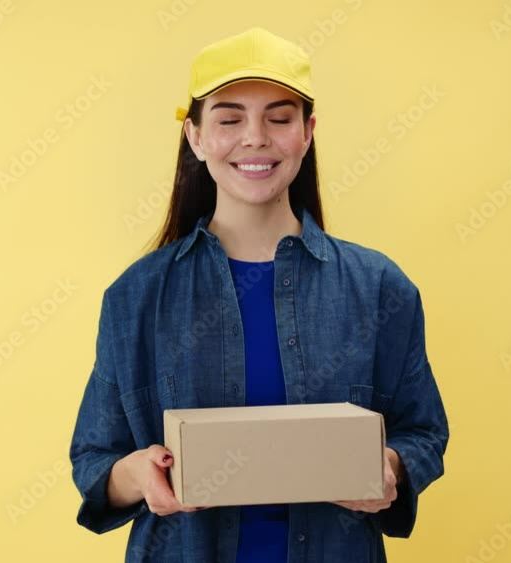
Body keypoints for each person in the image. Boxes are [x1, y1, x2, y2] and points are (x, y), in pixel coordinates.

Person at [68, 27, 449, 563]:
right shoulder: (137, 296)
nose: (255, 138)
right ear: (196, 138)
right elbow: (93, 459)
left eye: (279, 117)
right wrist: (135, 476)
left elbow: (424, 432)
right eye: (228, 119)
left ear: (307, 132)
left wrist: (389, 466)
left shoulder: (379, 287)